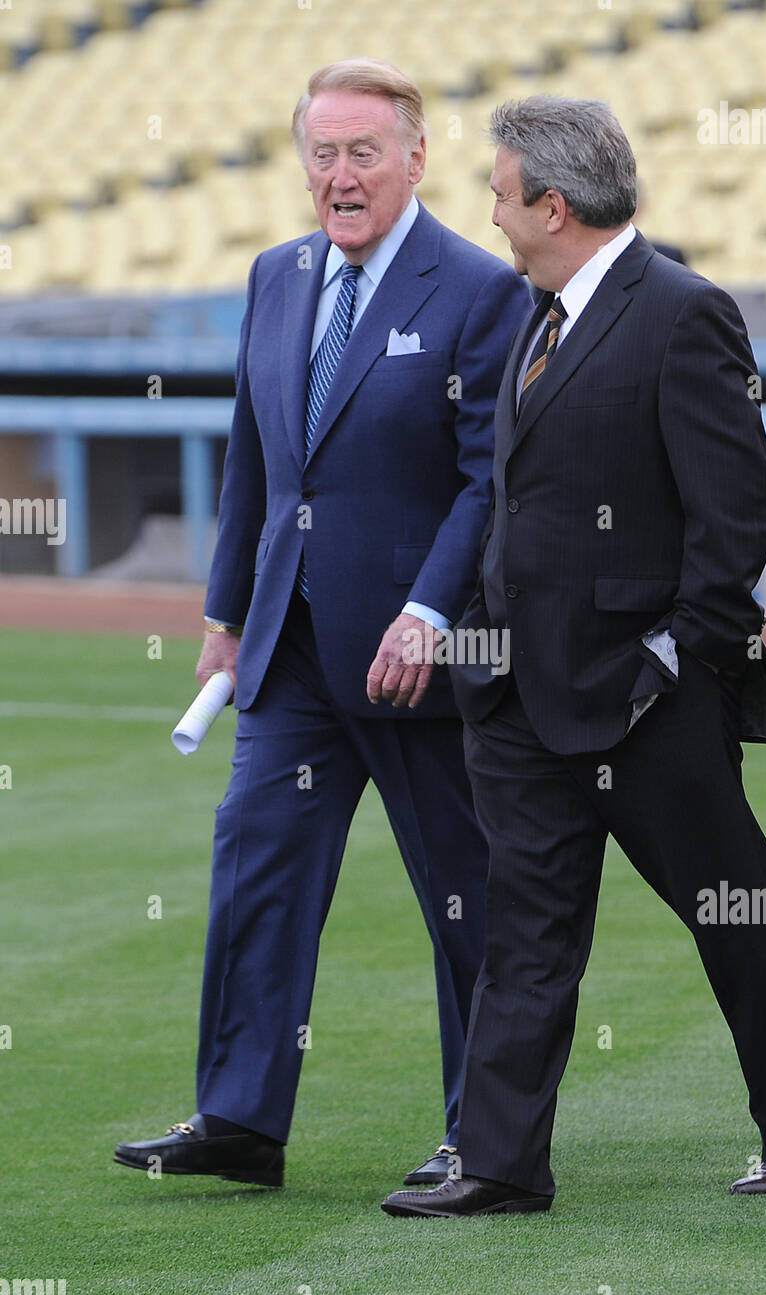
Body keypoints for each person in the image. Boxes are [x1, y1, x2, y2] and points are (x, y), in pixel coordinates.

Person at [382, 95, 766, 1218]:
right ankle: (498, 1162)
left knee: (734, 911)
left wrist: (676, 658)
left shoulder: (683, 311)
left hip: (646, 701)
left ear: (551, 203)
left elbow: (732, 512)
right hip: (516, 700)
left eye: (498, 194)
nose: (489, 215)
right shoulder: (530, 310)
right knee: (523, 931)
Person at [114, 59, 531, 1190]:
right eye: (321, 153)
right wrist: (222, 614)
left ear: (413, 158)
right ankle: (240, 1118)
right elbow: (256, 462)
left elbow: (484, 482)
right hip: (288, 648)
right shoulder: (277, 274)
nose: (338, 176)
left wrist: (430, 610)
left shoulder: (480, 290)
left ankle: (480, 1135)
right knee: (256, 869)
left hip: (416, 657)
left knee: (464, 896)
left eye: (361, 153)